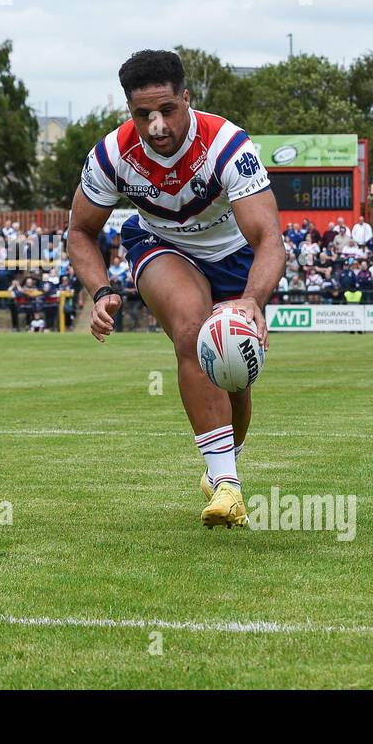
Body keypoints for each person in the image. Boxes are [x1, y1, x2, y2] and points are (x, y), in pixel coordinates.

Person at [67, 49, 283, 529]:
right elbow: (80, 231)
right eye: (143, 115)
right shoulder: (111, 155)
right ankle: (228, 487)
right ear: (130, 112)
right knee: (193, 330)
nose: (157, 125)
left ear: (187, 98)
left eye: (167, 110)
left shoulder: (228, 146)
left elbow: (269, 238)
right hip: (160, 244)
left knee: (235, 377)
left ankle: (222, 467)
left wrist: (252, 300)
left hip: (234, 255)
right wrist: (101, 291)